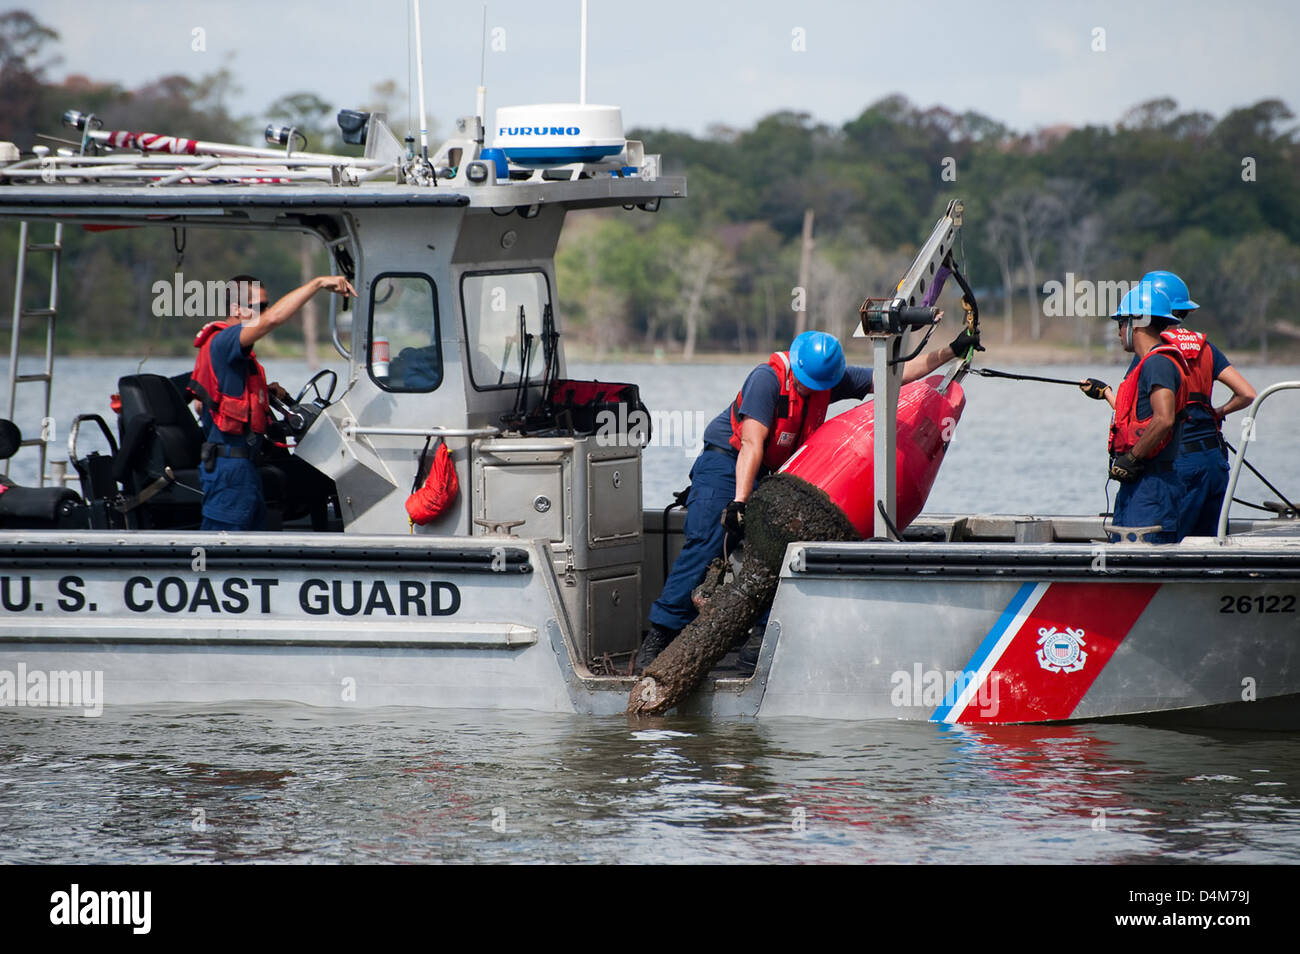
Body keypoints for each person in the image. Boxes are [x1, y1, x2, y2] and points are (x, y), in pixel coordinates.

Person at [636, 324, 980, 671]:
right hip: (726, 464)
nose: (810, 390)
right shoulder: (766, 380)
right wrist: (739, 503)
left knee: (781, 548)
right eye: (805, 384)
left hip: (767, 473)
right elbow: (752, 445)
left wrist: (950, 350)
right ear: (796, 367)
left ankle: (759, 643)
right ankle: (660, 635)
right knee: (707, 540)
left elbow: (895, 375)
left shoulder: (828, 378)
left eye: (818, 386)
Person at [189, 273, 357, 530]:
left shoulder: (237, 355)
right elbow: (275, 320)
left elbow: (215, 401)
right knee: (219, 550)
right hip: (229, 470)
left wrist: (264, 394)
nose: (266, 313)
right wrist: (318, 284)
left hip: (247, 467)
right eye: (260, 307)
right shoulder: (225, 340)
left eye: (267, 306)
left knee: (251, 547)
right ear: (236, 309)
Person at [1079, 283, 1188, 543]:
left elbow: (1164, 419)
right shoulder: (1148, 363)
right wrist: (1105, 392)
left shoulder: (1158, 363)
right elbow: (1138, 417)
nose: (1118, 332)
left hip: (1153, 485)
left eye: (1120, 323)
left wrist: (1132, 458)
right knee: (1123, 551)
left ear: (1135, 323)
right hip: (1138, 483)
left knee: (1141, 557)